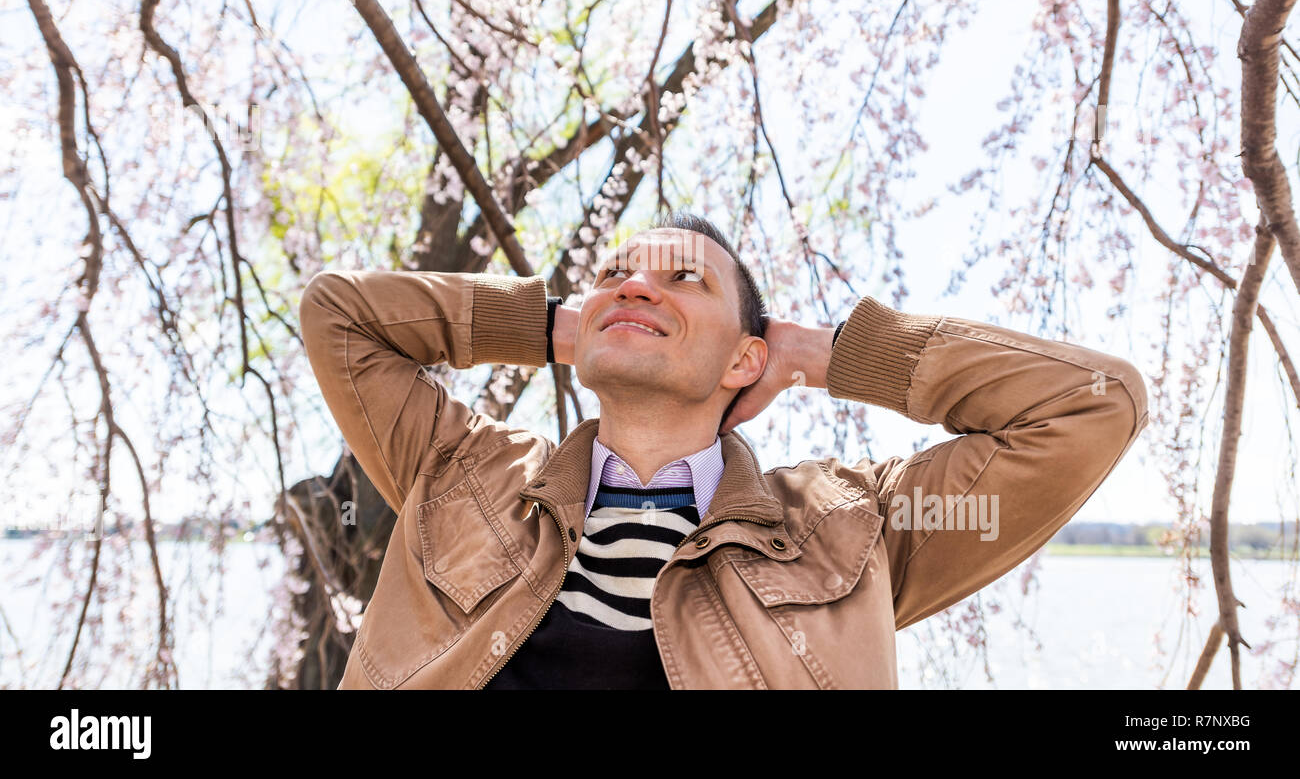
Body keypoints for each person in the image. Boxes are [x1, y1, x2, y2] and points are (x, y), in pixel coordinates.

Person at [298, 210, 1148, 688]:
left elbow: (1087, 408)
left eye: (683, 279)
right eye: (619, 273)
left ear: (747, 358)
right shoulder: (464, 472)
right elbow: (339, 316)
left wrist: (822, 354)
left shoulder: (853, 528)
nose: (634, 282)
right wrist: (577, 323)